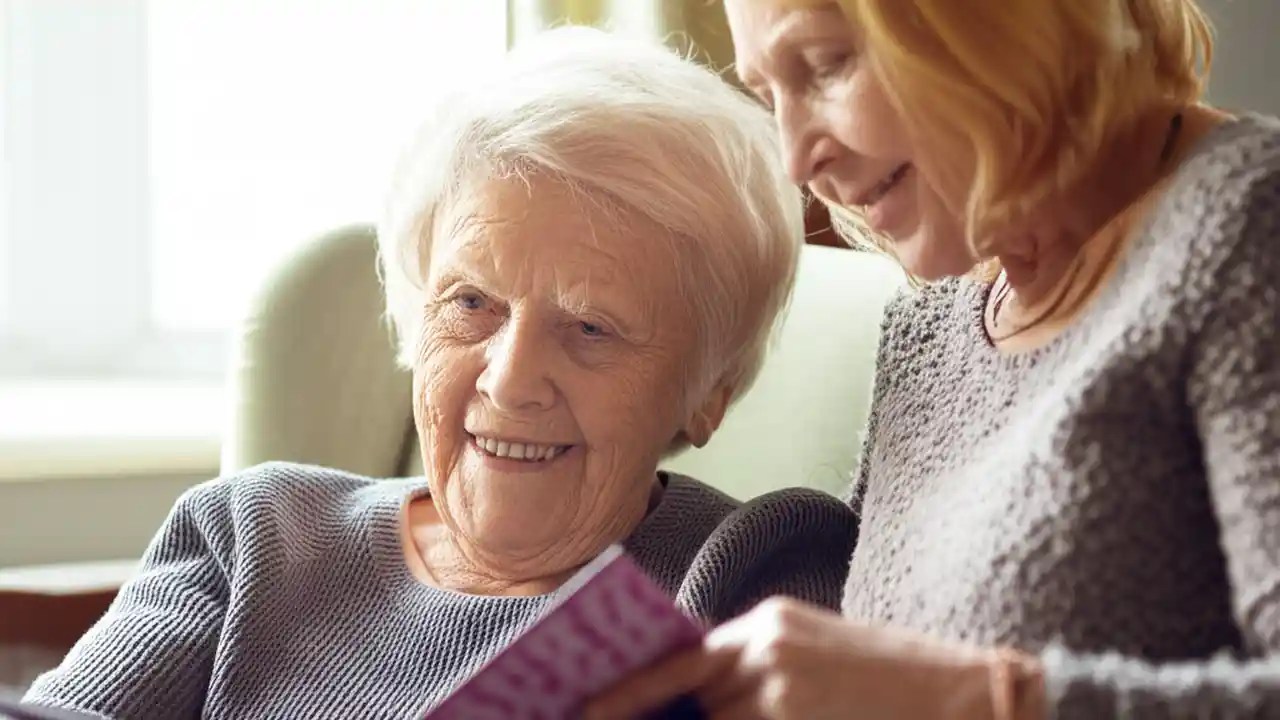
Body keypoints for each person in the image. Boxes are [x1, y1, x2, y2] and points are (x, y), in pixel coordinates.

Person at [22, 27, 857, 719]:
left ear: (708, 390)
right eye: (471, 304)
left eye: (592, 327)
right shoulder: (251, 535)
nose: (510, 379)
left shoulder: (752, 570)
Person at [587, 1, 1280, 718]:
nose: (796, 157)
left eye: (826, 67)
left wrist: (981, 697)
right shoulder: (931, 325)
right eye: (769, 97)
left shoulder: (1250, 231)